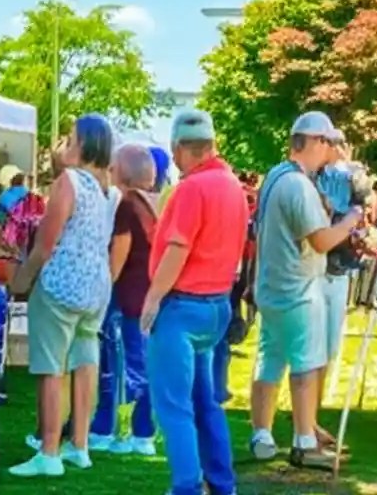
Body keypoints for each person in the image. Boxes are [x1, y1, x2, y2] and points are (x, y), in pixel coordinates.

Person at [143, 110, 248, 495]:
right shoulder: (232, 184)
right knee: (206, 403)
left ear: (177, 149)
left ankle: (187, 487)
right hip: (216, 305)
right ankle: (222, 484)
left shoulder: (192, 188)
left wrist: (153, 298)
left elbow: (178, 246)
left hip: (182, 307)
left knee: (174, 408)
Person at [249, 111, 359, 470]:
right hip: (299, 287)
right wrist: (350, 221)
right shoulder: (298, 184)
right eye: (327, 142)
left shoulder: (275, 177)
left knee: (271, 359)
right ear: (313, 142)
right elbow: (322, 240)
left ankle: (261, 434)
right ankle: (304, 441)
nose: (330, 150)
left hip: (272, 286)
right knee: (306, 364)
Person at [10, 114, 119, 478]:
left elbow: (45, 244)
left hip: (61, 283)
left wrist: (21, 282)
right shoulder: (109, 189)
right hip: (96, 284)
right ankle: (81, 445)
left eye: (70, 139)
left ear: (84, 145)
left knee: (50, 367)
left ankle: (50, 450)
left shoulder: (68, 182)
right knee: (86, 361)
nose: (65, 146)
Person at [89, 144, 159, 456]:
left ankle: (104, 428)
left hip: (125, 300)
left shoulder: (126, 205)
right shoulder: (151, 204)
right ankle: (142, 433)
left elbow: (118, 257)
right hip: (147, 298)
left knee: (114, 367)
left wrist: (100, 292)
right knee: (144, 367)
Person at [312, 129, 369, 450]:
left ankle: (310, 419)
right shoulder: (313, 177)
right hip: (319, 269)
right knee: (316, 350)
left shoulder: (350, 175)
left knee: (327, 349)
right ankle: (309, 422)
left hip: (338, 268)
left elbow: (363, 215)